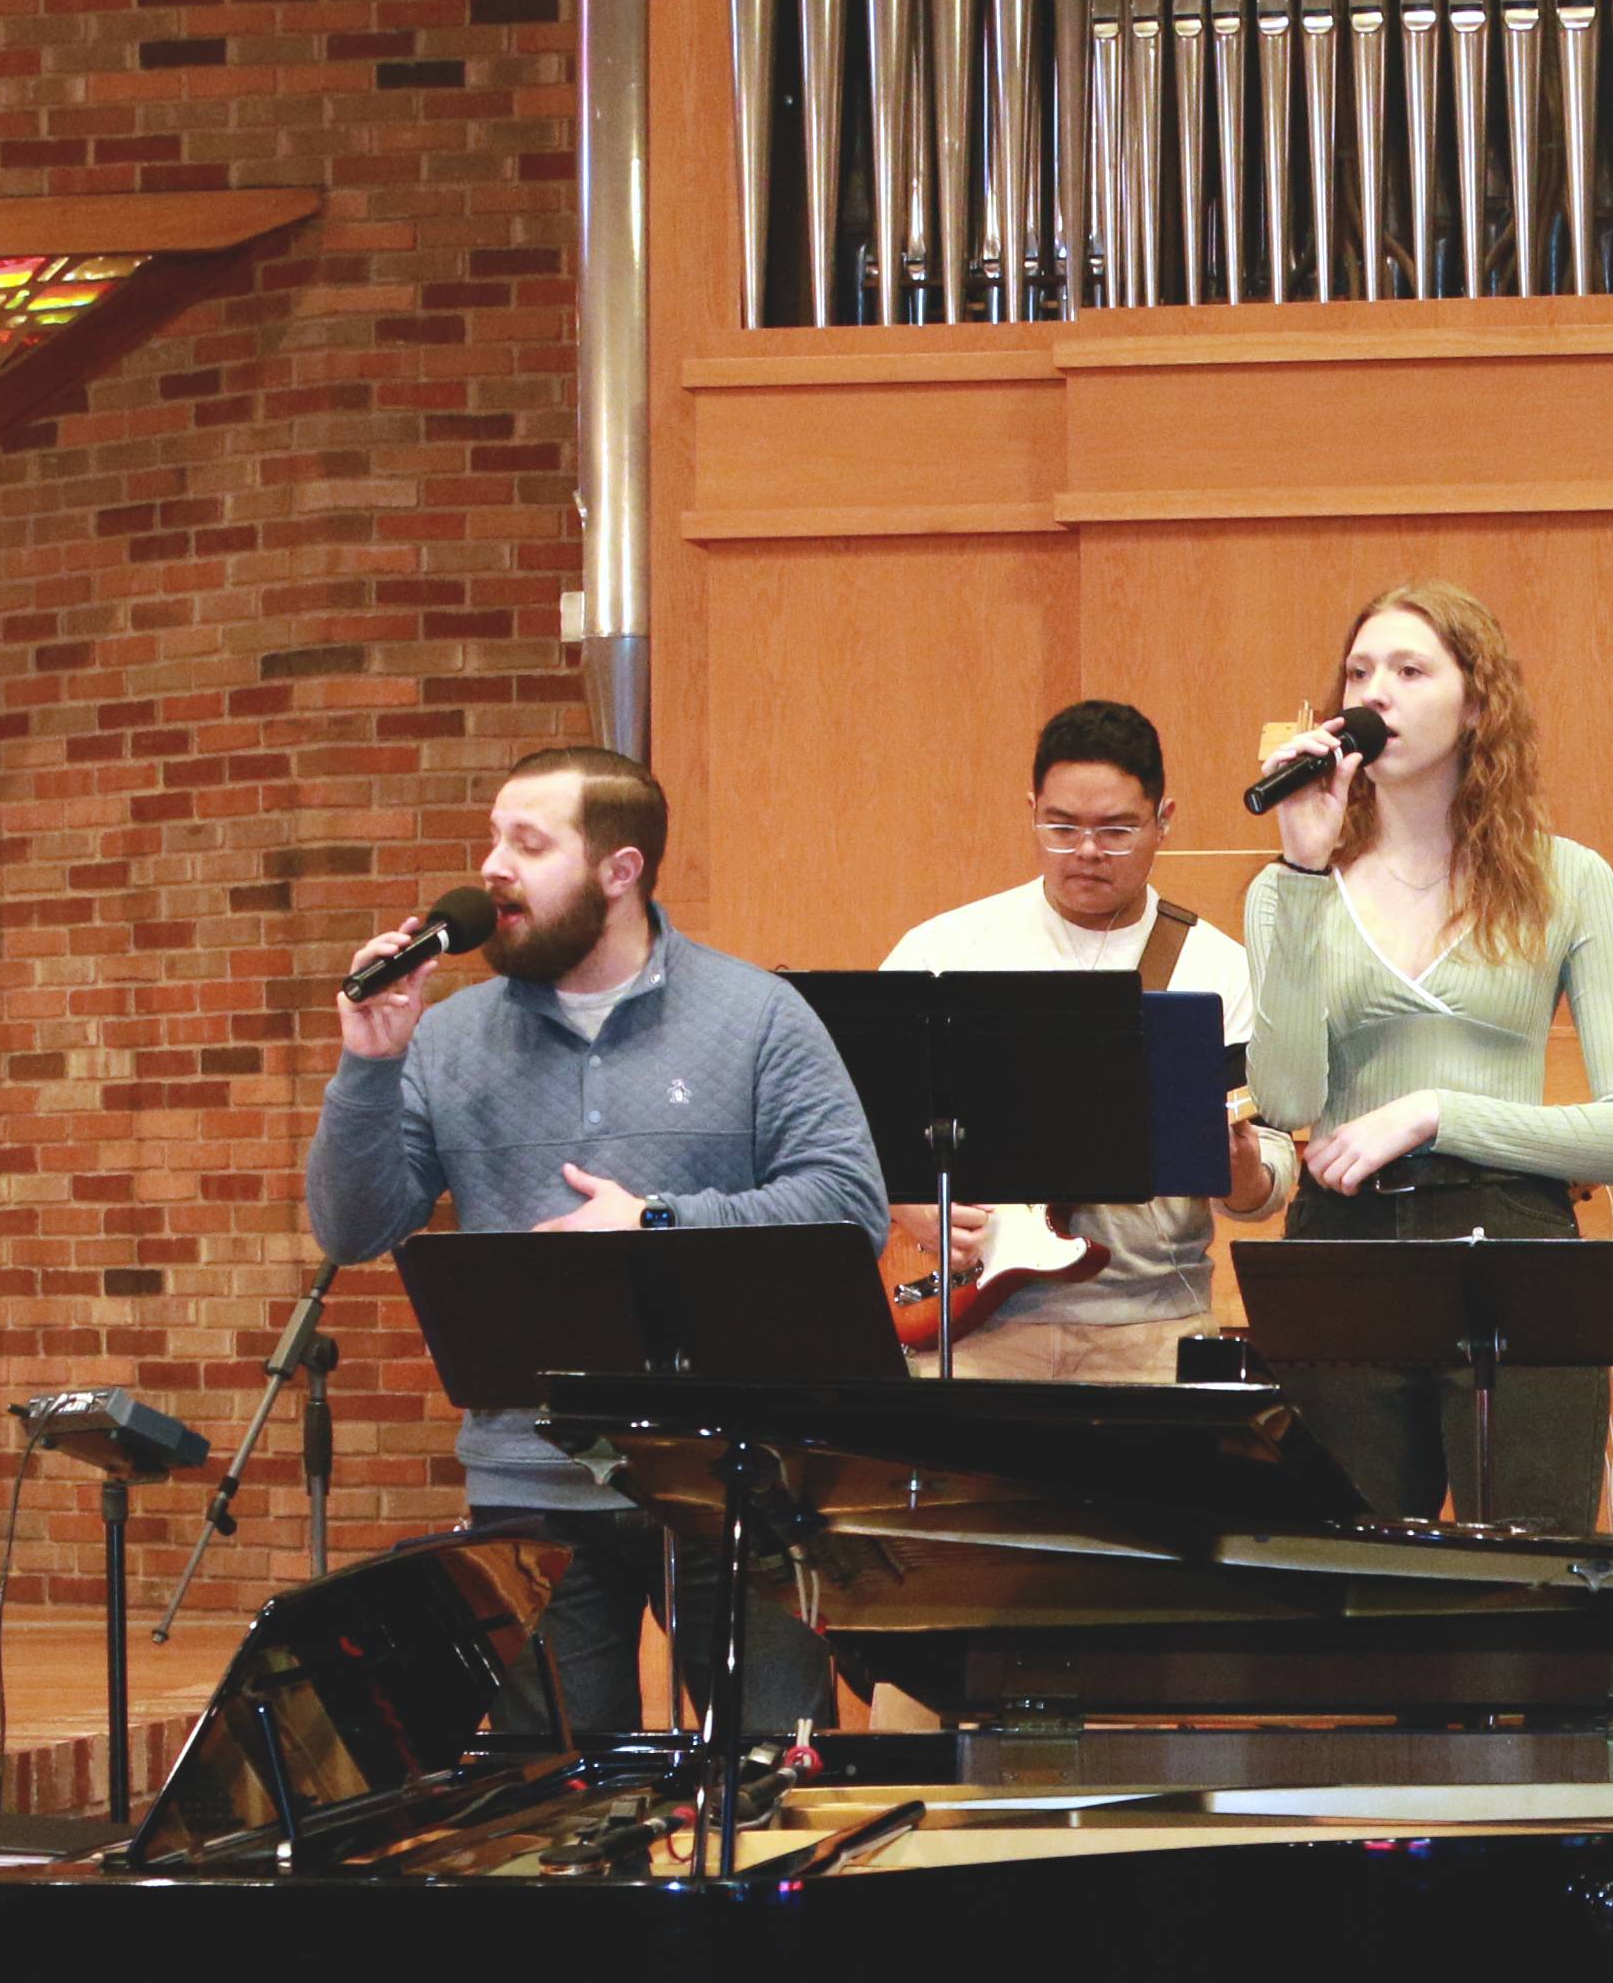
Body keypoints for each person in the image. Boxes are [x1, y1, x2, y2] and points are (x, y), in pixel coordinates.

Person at [305, 745, 886, 1738]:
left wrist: (654, 1223)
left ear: (619, 871)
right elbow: (354, 1226)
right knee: (548, 1787)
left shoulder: (756, 1016)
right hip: (531, 1479)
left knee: (773, 1767)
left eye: (527, 843)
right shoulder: (447, 1036)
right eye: (492, 837)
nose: (492, 867)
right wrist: (368, 1067)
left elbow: (847, 1206)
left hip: (730, 1474)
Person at [1245, 584, 1613, 1527]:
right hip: (1343, 1250)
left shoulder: (1570, 879)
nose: (1377, 693)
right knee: (1343, 1580)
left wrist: (1438, 1111)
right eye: (1359, 673)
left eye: (1408, 670)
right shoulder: (1287, 889)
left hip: (1509, 1238)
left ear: (1477, 702)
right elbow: (1284, 1097)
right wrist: (1305, 870)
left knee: (1525, 1578)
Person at [880, 700, 1296, 1380]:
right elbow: (856, 1123)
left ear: (1165, 820)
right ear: (1030, 810)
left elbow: (1266, 1183)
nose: (1087, 852)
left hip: (1153, 1330)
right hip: (972, 1325)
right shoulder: (944, 949)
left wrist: (1243, 1171)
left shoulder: (1219, 968)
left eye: (1118, 829)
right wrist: (906, 1204)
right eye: (1062, 826)